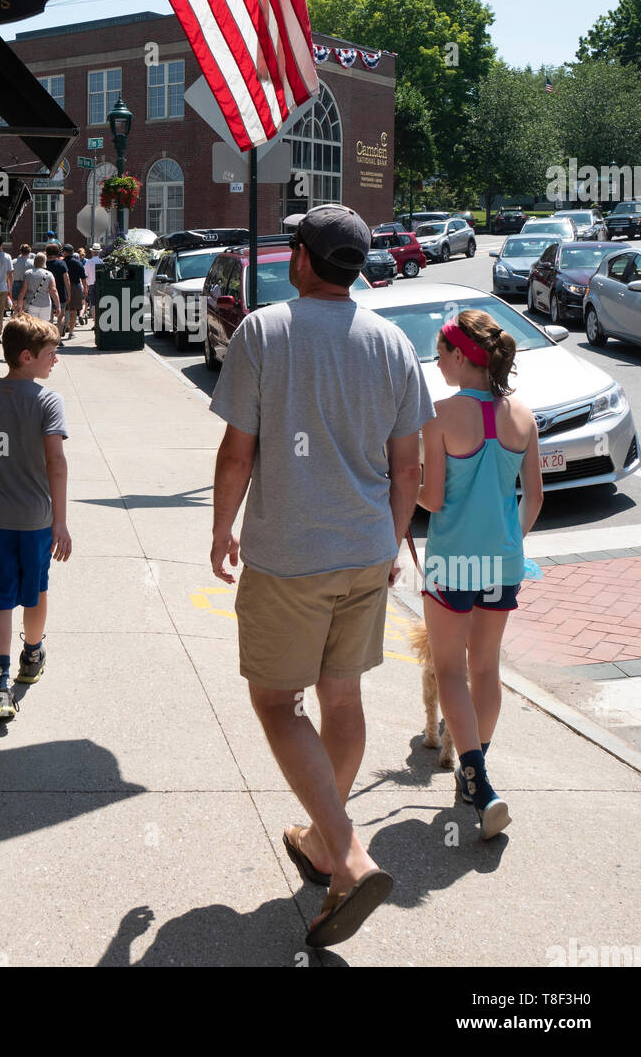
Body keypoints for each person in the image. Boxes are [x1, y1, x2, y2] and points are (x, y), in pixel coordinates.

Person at [209, 205, 433, 949]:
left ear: (302, 258)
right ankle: (319, 838)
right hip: (366, 549)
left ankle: (347, 854)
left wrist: (221, 528)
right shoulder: (392, 342)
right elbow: (409, 468)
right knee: (343, 697)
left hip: (289, 555)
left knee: (277, 703)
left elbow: (237, 452)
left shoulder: (264, 331)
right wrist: (391, 541)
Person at [418, 309, 542, 840]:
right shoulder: (523, 415)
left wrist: (404, 483)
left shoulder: (439, 416)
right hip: (503, 562)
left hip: (452, 561)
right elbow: (534, 498)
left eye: (440, 353)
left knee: (450, 670)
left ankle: (479, 782)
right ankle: (475, 771)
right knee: (485, 668)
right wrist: (510, 539)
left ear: (461, 355)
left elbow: (432, 499)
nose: (436, 362)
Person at [0, 315, 71, 722]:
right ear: (27, 357)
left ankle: (0, 681)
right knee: (36, 590)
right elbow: (56, 461)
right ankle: (32, 653)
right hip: (35, 519)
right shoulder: (48, 401)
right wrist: (60, 521)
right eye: (50, 353)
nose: (55, 360)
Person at [15, 252, 60, 322]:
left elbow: (23, 291)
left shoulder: (28, 273)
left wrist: (19, 304)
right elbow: (53, 290)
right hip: (45, 304)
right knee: (44, 325)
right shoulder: (49, 274)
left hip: (31, 304)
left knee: (32, 325)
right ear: (44, 262)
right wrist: (58, 306)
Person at [45, 243, 69, 340]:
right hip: (60, 292)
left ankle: (49, 337)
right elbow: (66, 279)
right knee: (61, 316)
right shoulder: (61, 264)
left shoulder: (44, 264)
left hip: (46, 292)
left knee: (49, 316)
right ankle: (58, 338)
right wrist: (69, 293)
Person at [63, 244, 87, 334]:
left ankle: (64, 326)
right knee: (73, 311)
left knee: (63, 309)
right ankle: (71, 332)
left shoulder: (61, 263)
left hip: (63, 287)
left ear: (64, 252)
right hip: (75, 287)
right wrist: (85, 289)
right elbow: (83, 278)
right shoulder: (78, 263)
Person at [83, 246, 101, 325]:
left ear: (92, 252)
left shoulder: (88, 262)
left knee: (93, 304)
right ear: (99, 252)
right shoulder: (101, 262)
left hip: (91, 284)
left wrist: (85, 286)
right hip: (100, 284)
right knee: (100, 304)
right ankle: (99, 323)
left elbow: (85, 275)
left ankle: (95, 323)